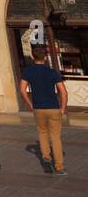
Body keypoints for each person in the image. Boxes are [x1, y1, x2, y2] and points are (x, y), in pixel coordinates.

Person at [20, 45, 69, 175]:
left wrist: (29, 103)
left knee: (42, 133)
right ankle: (59, 167)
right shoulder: (53, 73)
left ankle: (46, 156)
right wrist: (63, 108)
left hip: (38, 108)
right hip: (53, 107)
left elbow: (22, 89)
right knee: (56, 138)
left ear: (32, 57)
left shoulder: (28, 72)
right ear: (45, 58)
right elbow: (63, 92)